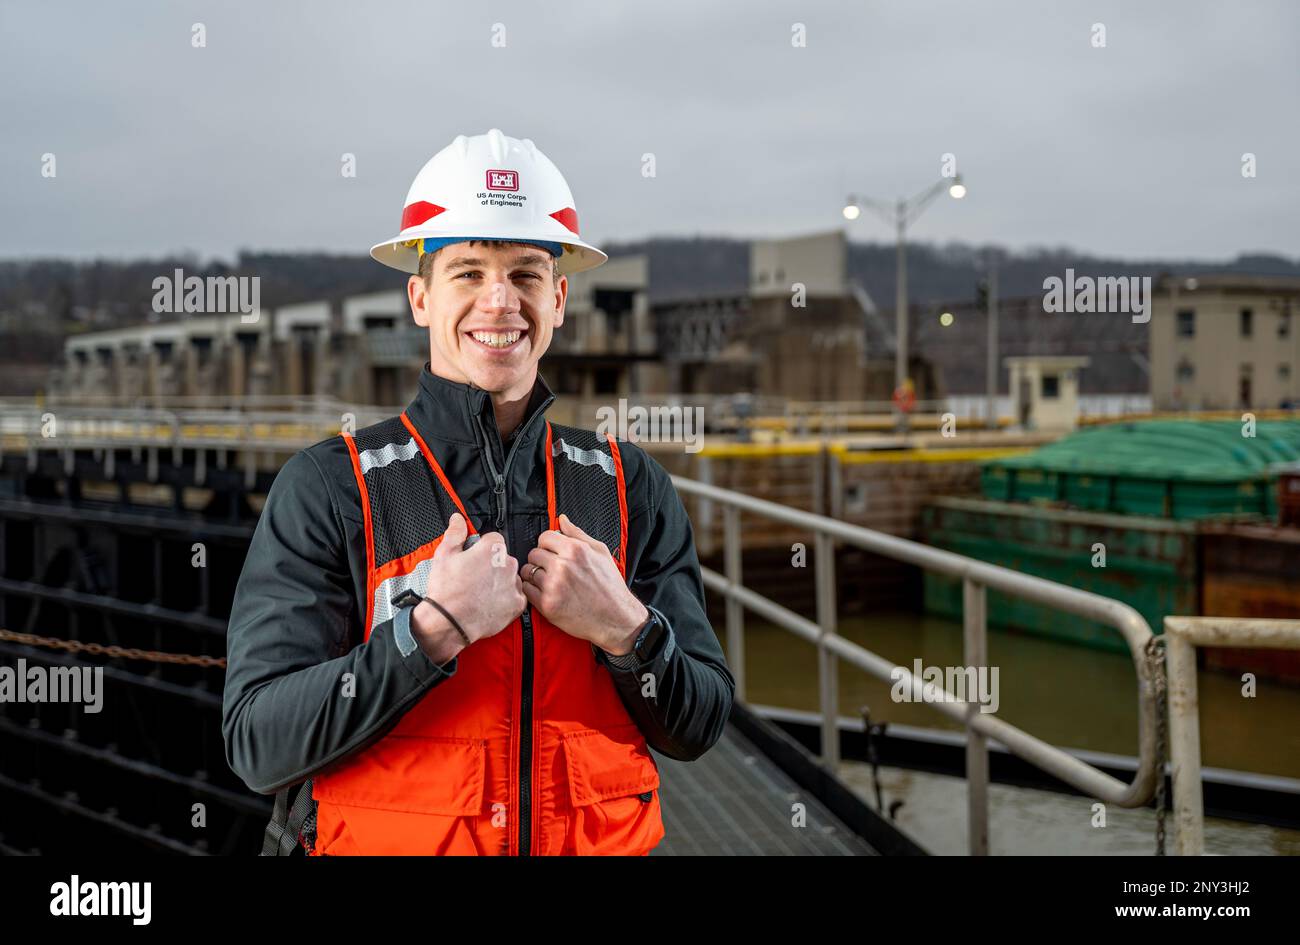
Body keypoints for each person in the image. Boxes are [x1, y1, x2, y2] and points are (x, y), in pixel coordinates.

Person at [222, 128, 735, 855]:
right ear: (420, 298)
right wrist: (430, 631)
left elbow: (700, 723)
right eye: (467, 272)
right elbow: (257, 742)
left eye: (526, 274)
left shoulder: (627, 486)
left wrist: (628, 630)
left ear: (558, 298)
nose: (500, 301)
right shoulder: (335, 487)